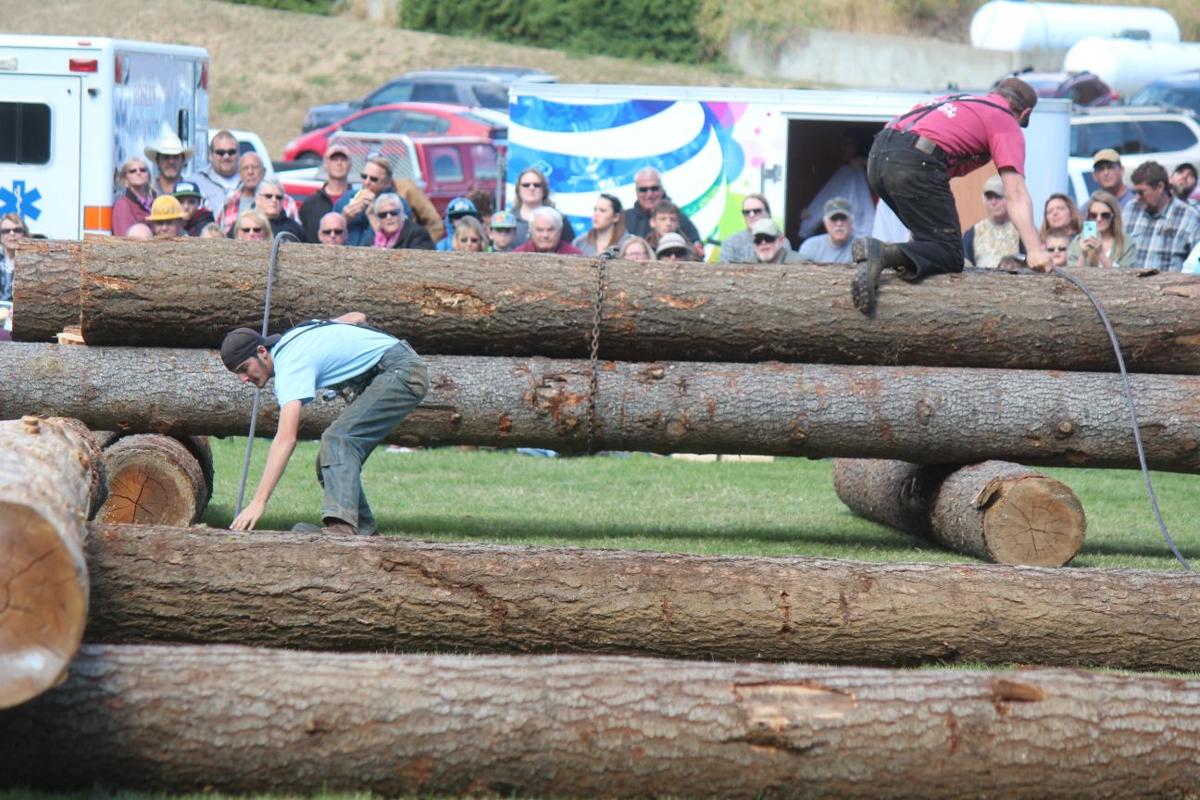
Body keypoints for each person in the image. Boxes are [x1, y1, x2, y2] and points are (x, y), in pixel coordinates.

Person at [852, 77, 1048, 314]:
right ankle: (881, 252)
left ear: (995, 92)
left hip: (878, 157)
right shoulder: (1004, 120)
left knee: (929, 244)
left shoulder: (962, 101)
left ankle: (901, 286)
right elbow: (1015, 192)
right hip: (914, 161)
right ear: (1024, 113)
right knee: (950, 253)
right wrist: (1035, 251)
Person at [221, 313, 429, 536]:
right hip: (398, 367)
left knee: (338, 440)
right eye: (238, 374)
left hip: (400, 372)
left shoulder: (290, 364)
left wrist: (258, 502)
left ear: (262, 352)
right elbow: (358, 317)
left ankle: (343, 529)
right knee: (327, 462)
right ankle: (364, 532)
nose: (243, 379)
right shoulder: (296, 336)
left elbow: (286, 439)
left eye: (244, 368)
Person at [1124, 161, 1200, 272]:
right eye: (1134, 192)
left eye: (1141, 192)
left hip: (1168, 287)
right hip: (1129, 285)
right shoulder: (1131, 209)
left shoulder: (1189, 217)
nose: (1137, 197)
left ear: (1160, 187)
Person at [798, 131, 875, 239]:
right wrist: (809, 216)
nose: (844, 148)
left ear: (858, 146)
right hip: (858, 237)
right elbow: (825, 198)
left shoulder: (856, 172)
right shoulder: (846, 171)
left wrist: (807, 225)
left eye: (849, 144)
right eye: (844, 144)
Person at [624, 167, 703, 255]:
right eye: (643, 189)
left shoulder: (680, 218)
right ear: (636, 191)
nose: (649, 194)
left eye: (654, 188)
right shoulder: (624, 218)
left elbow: (698, 253)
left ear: (662, 189)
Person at [962, 175, 1022, 268]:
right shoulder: (972, 233)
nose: (993, 202)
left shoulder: (1022, 232)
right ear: (983, 200)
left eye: (998, 197)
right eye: (989, 197)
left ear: (1008, 198)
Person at [1068, 190, 1136, 269]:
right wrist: (1083, 254)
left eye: (1105, 215)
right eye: (1093, 215)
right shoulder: (1078, 241)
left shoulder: (1127, 243)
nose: (1099, 219)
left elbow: (1126, 277)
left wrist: (1101, 253)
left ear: (1113, 216)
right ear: (1088, 216)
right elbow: (1072, 276)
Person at [300, 144, 353, 243]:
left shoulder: (357, 201)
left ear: (350, 164)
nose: (339, 163)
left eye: (343, 159)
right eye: (334, 159)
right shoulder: (310, 204)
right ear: (325, 164)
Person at [511, 167, 574, 246]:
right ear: (518, 189)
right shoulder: (509, 220)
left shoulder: (560, 219)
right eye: (526, 185)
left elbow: (570, 249)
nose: (531, 188)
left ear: (544, 189)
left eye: (537, 185)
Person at [194, 130, 242, 214]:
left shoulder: (249, 179)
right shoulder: (196, 183)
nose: (226, 156)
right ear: (210, 155)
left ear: (238, 154)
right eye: (220, 153)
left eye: (231, 152)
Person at [219, 153, 267, 234]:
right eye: (245, 168)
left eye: (255, 167)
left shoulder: (280, 200)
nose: (250, 172)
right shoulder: (228, 203)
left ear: (264, 172)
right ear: (239, 173)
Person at [798, 197, 856, 263]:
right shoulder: (810, 247)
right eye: (834, 219)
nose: (839, 224)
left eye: (843, 218)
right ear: (825, 222)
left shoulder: (863, 246)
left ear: (852, 221)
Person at [111, 156, 156, 236]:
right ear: (125, 179)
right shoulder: (122, 205)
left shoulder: (155, 202)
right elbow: (124, 237)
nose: (138, 173)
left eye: (143, 170)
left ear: (148, 176)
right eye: (132, 171)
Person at [720, 194, 770, 263]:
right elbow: (724, 272)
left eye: (757, 211)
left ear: (768, 214)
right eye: (746, 212)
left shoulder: (782, 242)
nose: (751, 215)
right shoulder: (730, 242)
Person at [513, 207, 584, 255]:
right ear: (531, 230)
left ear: (560, 230)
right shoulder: (518, 254)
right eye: (540, 230)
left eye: (550, 230)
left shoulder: (575, 254)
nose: (545, 235)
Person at [144, 131, 193, 196]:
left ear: (183, 161)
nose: (171, 162)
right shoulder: (145, 191)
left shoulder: (192, 191)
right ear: (157, 161)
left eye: (176, 157)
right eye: (166, 157)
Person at [1, 213, 26, 305]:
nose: (12, 233)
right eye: (6, 231)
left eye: (17, 230)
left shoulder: (35, 261)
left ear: (24, 234)